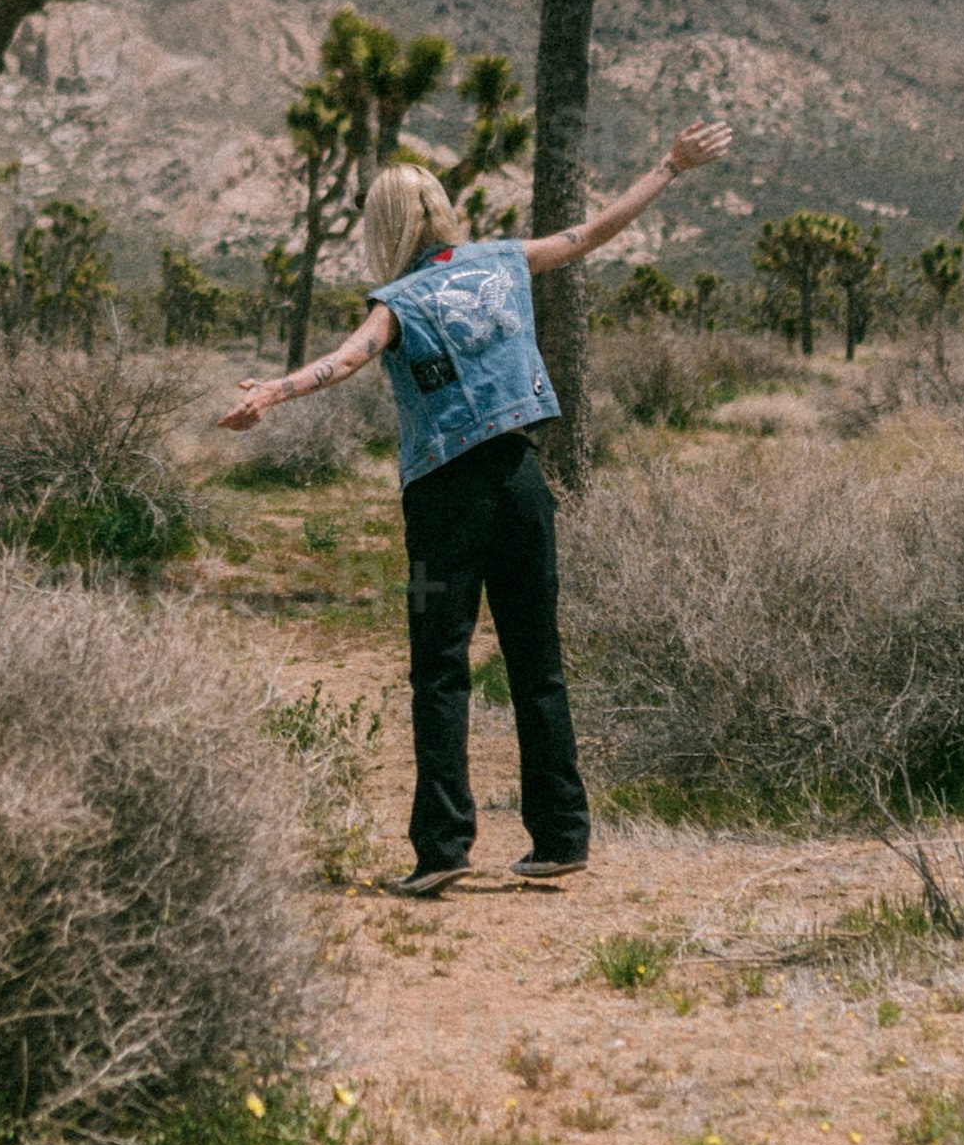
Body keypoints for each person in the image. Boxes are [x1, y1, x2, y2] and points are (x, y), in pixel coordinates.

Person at [220, 115, 735, 894]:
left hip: (441, 507)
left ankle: (443, 847)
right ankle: (561, 834)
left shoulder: (396, 300)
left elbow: (344, 362)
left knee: (438, 666)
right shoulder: (505, 262)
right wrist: (669, 165)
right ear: (442, 209)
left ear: (384, 226)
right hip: (523, 489)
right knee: (538, 662)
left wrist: (271, 394)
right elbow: (593, 233)